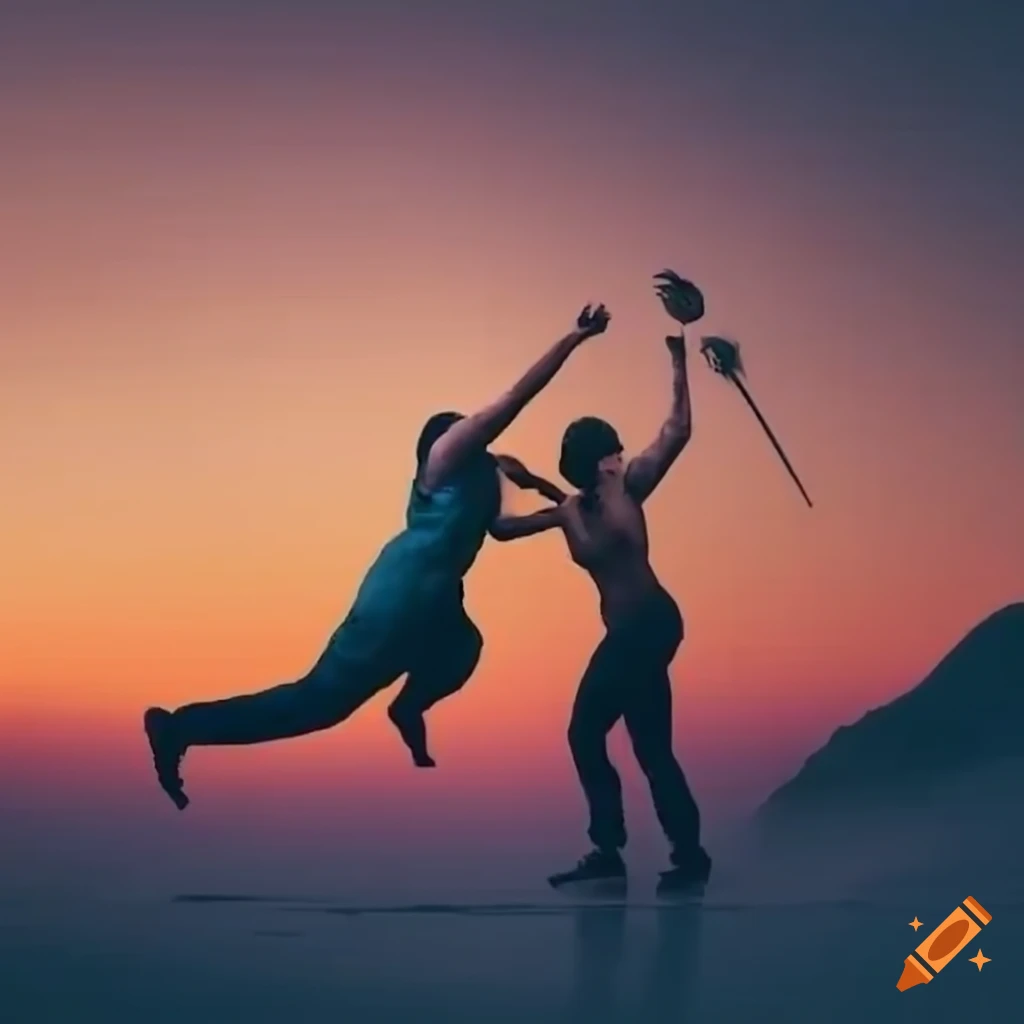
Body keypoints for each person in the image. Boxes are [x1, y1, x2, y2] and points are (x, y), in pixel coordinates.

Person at [144, 303, 611, 809]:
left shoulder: (482, 473)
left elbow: (498, 529)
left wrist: (561, 512)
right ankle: (178, 727)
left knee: (464, 648)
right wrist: (574, 338)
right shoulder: (443, 460)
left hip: (439, 606)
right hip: (397, 599)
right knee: (315, 706)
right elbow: (513, 400)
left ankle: (408, 707)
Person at [489, 280, 710, 894]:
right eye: (611, 450)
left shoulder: (628, 487)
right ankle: (688, 856)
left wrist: (678, 358)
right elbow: (503, 531)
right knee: (649, 747)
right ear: (594, 460)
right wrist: (494, 482)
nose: (621, 454)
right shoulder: (575, 507)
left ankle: (609, 851)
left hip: (649, 624)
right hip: (635, 632)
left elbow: (677, 431)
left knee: (586, 731)